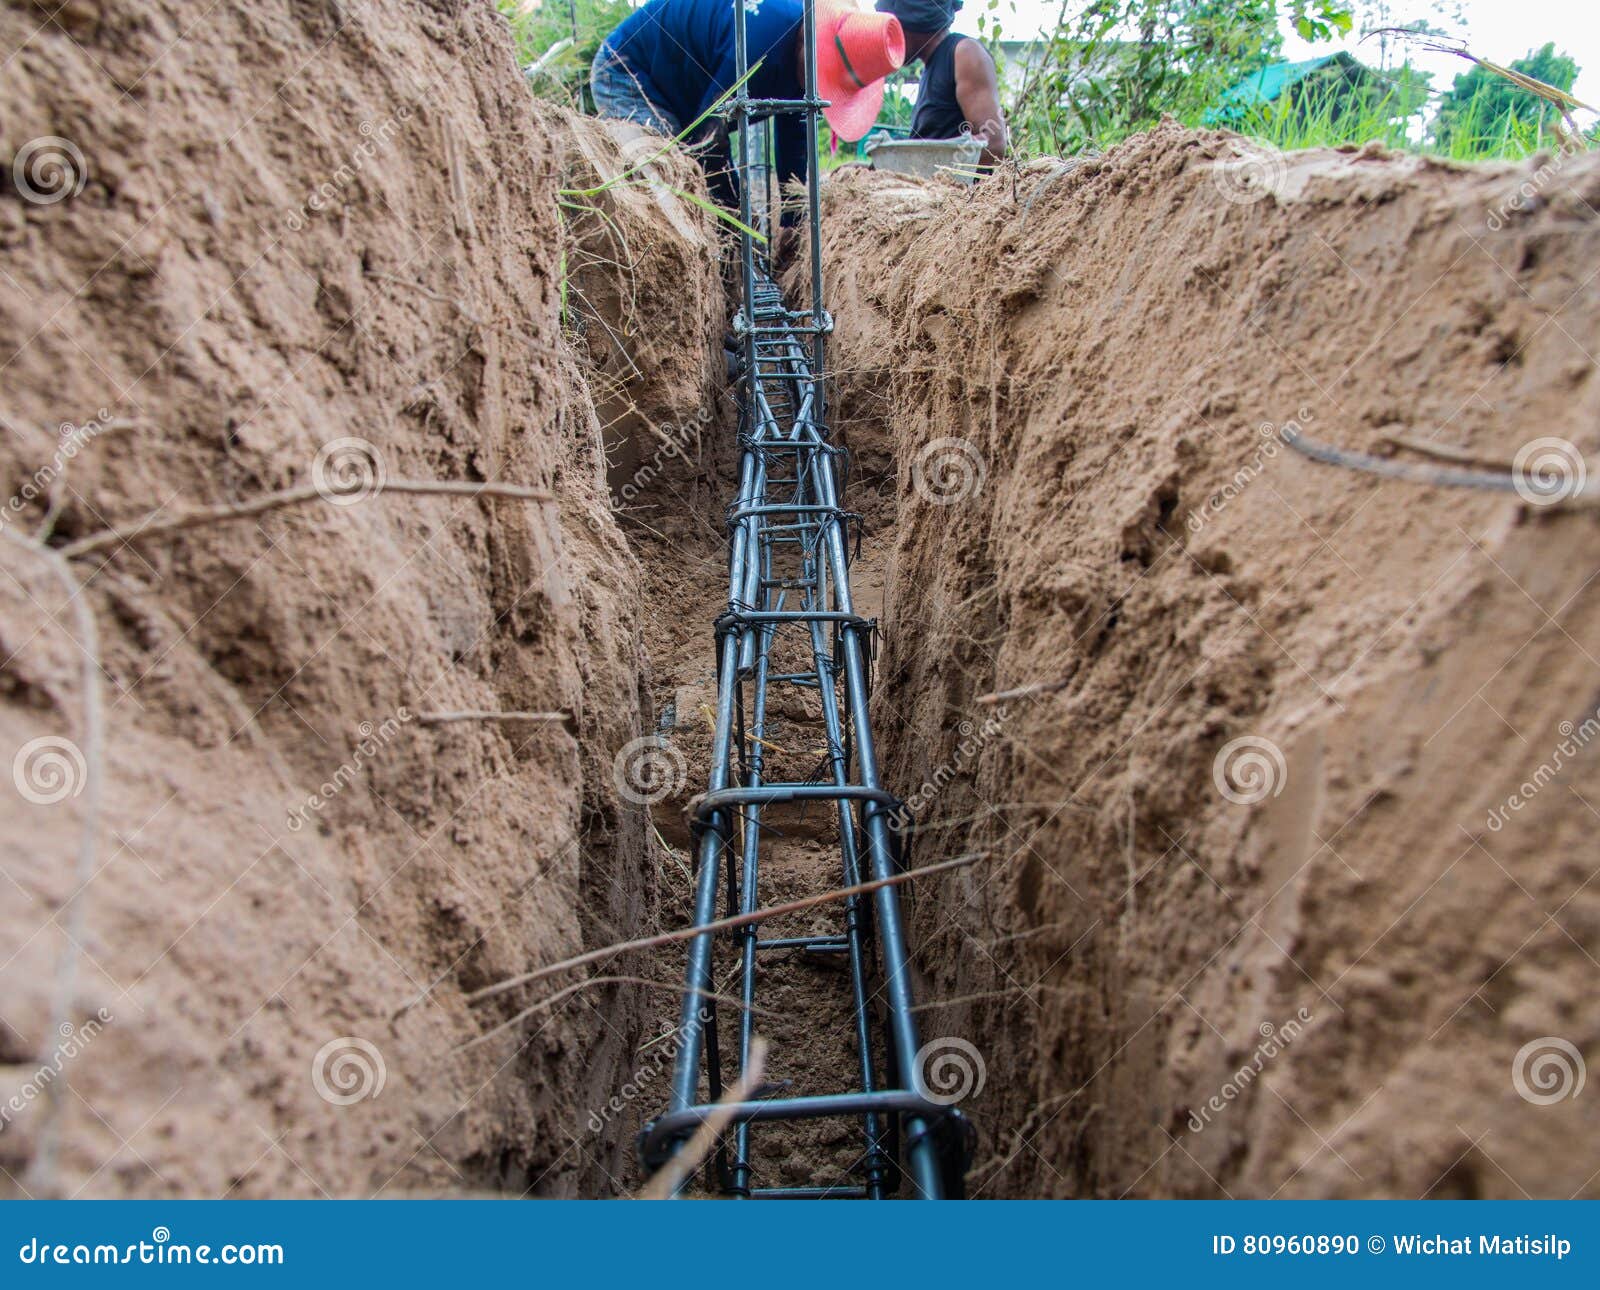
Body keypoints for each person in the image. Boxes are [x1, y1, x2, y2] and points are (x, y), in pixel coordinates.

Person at [592, 0, 904, 215]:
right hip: (629, 73)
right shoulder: (755, 46)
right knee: (672, 185)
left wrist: (790, 231)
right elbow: (704, 142)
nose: (817, 90)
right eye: (823, 79)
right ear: (809, 44)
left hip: (684, 93)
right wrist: (737, 216)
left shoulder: (800, 67)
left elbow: (793, 157)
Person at [873, 0, 1006, 165]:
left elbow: (994, 145)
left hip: (960, 190)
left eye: (893, 28)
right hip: (932, 188)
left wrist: (905, 155)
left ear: (915, 22)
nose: (888, 39)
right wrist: (877, 165)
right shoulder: (929, 69)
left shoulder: (965, 53)